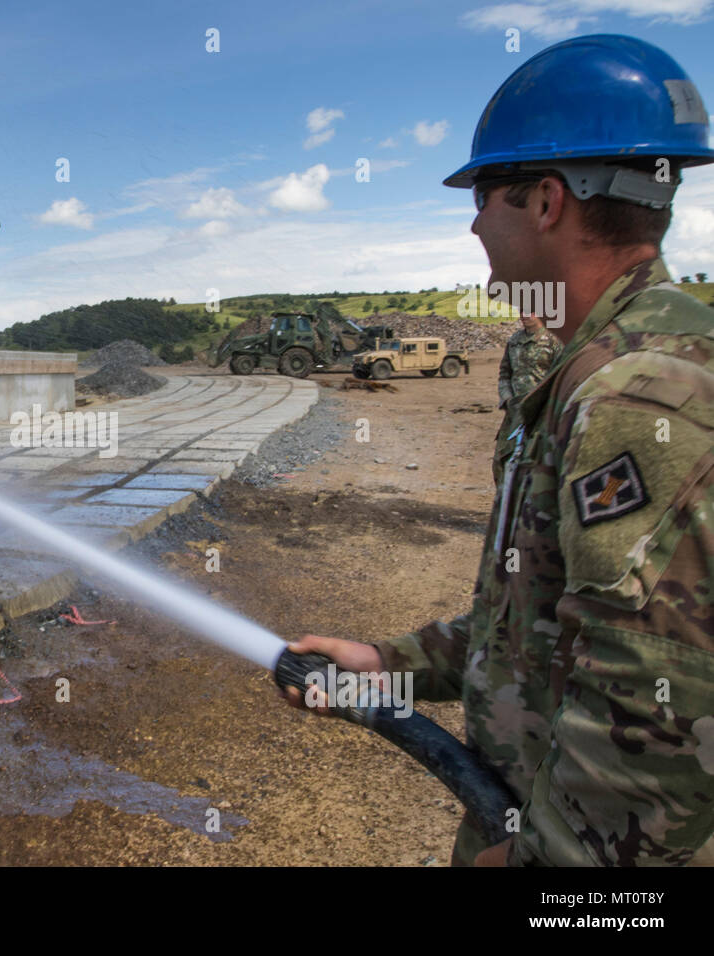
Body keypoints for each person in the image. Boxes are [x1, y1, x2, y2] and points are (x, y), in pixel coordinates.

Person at [282, 34, 714, 866]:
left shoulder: (637, 394)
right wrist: (387, 662)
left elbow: (660, 709)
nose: (474, 224)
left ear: (546, 201)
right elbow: (541, 621)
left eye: (484, 195)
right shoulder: (601, 366)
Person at [493, 313, 562, 483]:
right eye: (521, 310)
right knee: (501, 459)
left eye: (529, 310)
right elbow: (504, 374)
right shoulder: (514, 340)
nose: (523, 315)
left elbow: (561, 376)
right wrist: (508, 399)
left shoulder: (554, 340)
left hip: (542, 413)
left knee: (539, 460)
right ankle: (505, 501)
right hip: (516, 411)